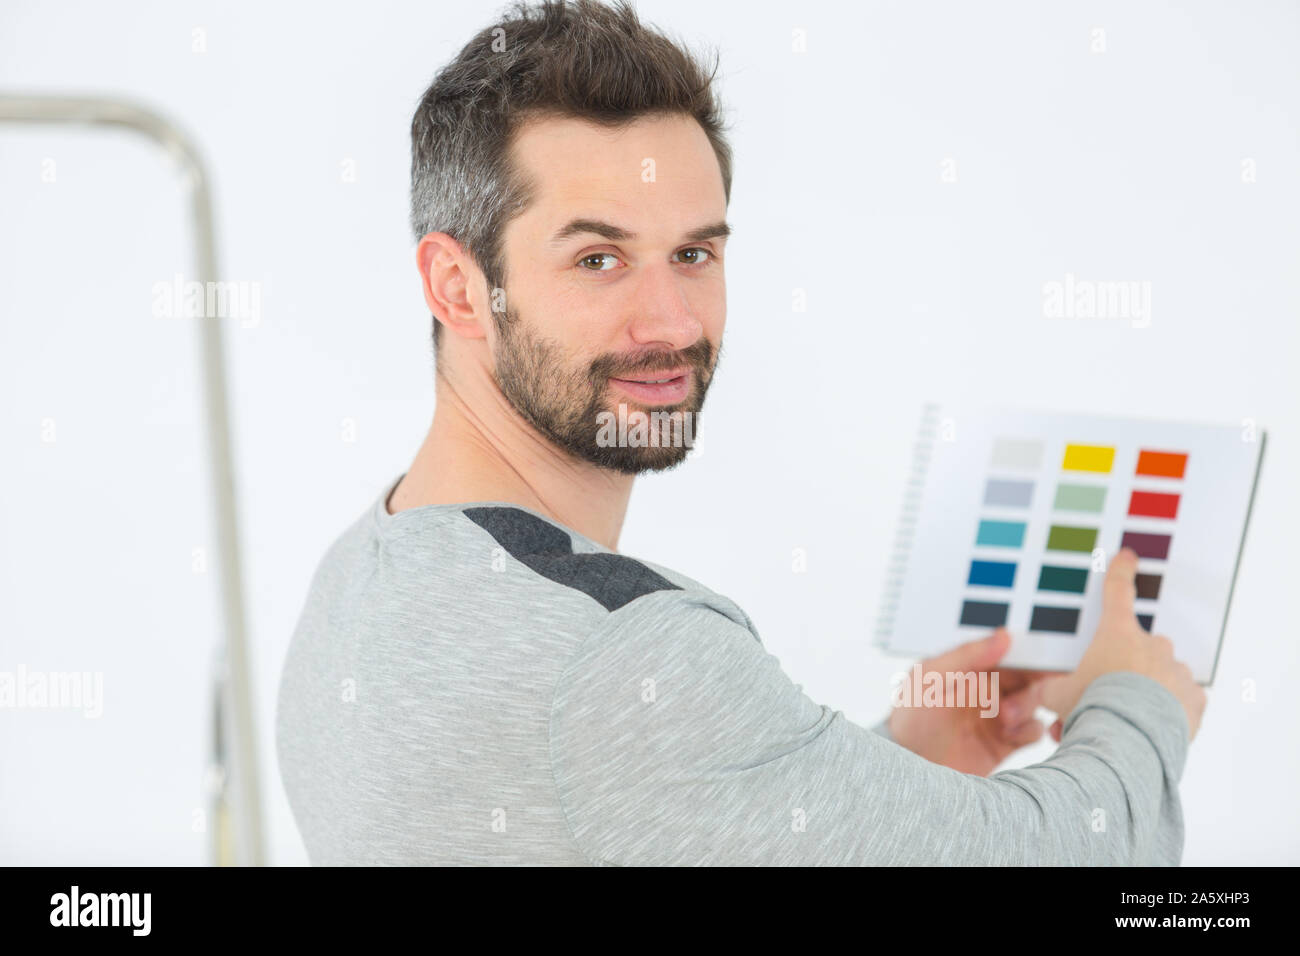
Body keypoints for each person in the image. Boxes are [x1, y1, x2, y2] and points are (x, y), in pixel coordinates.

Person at [275, 0, 1206, 865]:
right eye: (597, 258)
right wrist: (1134, 702)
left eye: (694, 253)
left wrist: (902, 763)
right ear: (456, 287)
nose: (672, 322)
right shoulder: (626, 652)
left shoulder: (359, 575)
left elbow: (613, 814)